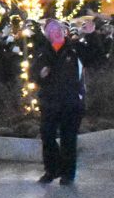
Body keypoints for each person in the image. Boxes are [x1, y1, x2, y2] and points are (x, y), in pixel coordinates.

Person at [33, 17, 89, 186]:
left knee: (68, 139)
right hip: (50, 102)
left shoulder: (74, 49)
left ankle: (67, 174)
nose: (56, 33)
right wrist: (39, 75)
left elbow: (95, 55)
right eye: (52, 31)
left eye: (58, 30)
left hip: (71, 102)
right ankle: (52, 169)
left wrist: (92, 36)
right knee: (47, 136)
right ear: (48, 35)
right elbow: (33, 73)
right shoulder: (42, 52)